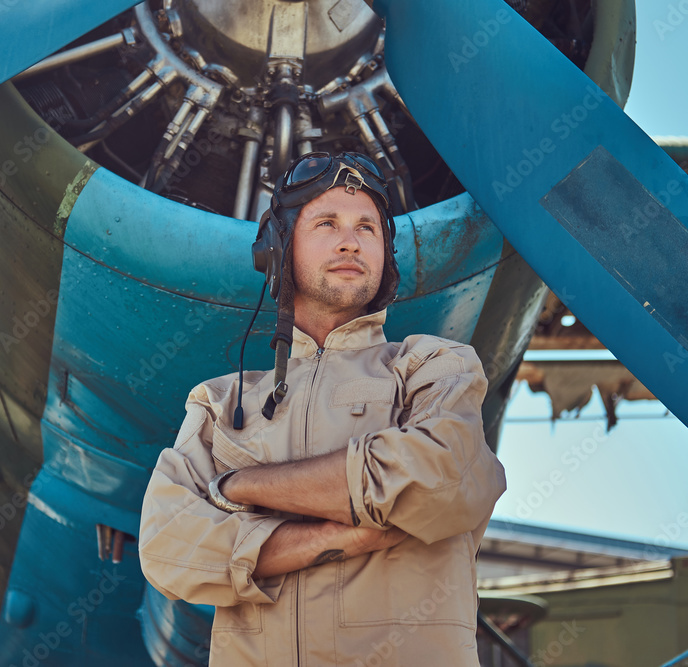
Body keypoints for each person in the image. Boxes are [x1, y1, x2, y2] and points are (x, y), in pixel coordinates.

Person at [138, 152, 507, 666]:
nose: (350, 241)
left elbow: (441, 478)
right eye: (327, 223)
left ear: (387, 256)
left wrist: (237, 487)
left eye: (367, 228)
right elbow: (166, 546)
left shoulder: (435, 367)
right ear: (278, 249)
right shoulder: (218, 404)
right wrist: (346, 534)